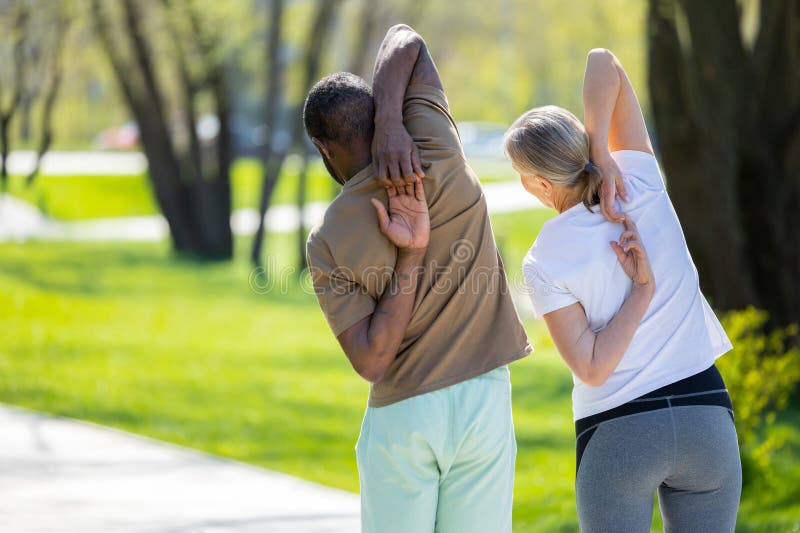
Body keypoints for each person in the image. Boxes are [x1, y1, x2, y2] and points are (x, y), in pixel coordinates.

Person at [303, 25, 532, 533]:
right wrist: (393, 123)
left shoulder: (327, 240)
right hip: (485, 400)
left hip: (404, 416)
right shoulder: (432, 140)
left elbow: (372, 360)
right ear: (377, 114)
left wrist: (409, 259)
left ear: (323, 147)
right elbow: (405, 40)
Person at [505, 48, 741, 532]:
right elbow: (601, 60)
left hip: (620, 431)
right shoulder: (638, 178)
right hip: (708, 420)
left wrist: (641, 293)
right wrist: (604, 156)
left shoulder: (544, 258)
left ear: (536, 185)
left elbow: (593, 367)